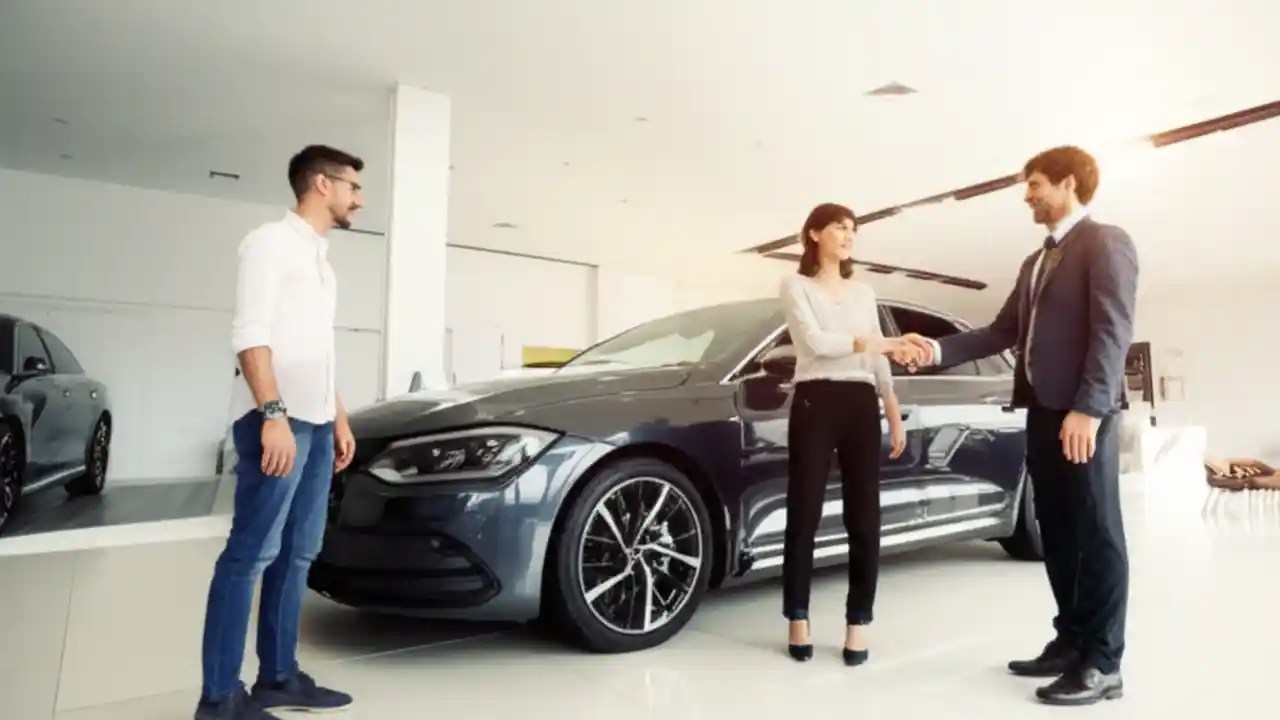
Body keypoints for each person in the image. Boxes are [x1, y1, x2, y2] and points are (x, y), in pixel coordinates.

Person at [903, 146, 1138, 706]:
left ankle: (1103, 662)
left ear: (1068, 184)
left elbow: (1112, 332)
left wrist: (1089, 408)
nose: (1026, 195)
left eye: (1034, 184)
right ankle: (1071, 641)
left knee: (1096, 531)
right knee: (1055, 531)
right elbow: (998, 331)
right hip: (1041, 410)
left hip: (1084, 412)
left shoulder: (1106, 242)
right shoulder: (1036, 262)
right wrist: (933, 348)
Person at [195, 145, 365, 720]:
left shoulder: (321, 260)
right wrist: (273, 413)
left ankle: (278, 677)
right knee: (250, 555)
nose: (358, 200)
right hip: (280, 421)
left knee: (298, 555)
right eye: (352, 188)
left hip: (315, 425)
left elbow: (316, 351)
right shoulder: (270, 243)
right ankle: (219, 699)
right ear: (321, 184)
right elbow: (251, 335)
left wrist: (338, 416)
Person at [778, 202, 921, 666]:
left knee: (865, 518)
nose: (848, 235)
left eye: (853, 230)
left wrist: (892, 406)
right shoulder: (794, 285)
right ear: (814, 233)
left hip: (861, 402)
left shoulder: (864, 292)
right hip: (815, 401)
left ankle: (858, 622)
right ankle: (797, 617)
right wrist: (875, 343)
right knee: (804, 512)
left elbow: (876, 356)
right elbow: (815, 343)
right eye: (840, 227)